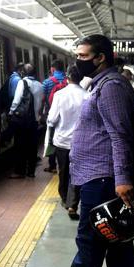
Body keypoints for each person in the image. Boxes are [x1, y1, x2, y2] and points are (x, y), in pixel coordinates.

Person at [44, 34, 134, 267]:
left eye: (83, 56)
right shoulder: (101, 84)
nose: (78, 60)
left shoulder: (110, 88)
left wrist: (122, 178)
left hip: (103, 179)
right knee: (117, 239)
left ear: (101, 57)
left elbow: (119, 135)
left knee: (89, 242)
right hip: (98, 175)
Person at [46, 66, 89, 220]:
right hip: (81, 142)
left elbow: (52, 119)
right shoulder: (87, 95)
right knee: (77, 172)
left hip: (62, 141)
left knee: (63, 171)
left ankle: (65, 198)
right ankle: (73, 203)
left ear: (67, 77)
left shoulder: (59, 95)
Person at [8, 63, 43, 178]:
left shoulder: (22, 83)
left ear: (23, 72)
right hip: (34, 121)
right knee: (32, 146)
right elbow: (41, 104)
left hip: (23, 121)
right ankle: (31, 171)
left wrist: (11, 112)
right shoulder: (40, 85)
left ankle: (20, 171)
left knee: (20, 146)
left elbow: (16, 100)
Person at [41, 60, 66, 173]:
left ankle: (52, 165)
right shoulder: (68, 81)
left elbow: (43, 98)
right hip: (65, 114)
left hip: (51, 113)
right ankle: (64, 164)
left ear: (53, 69)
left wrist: (41, 113)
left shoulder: (47, 82)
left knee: (51, 138)